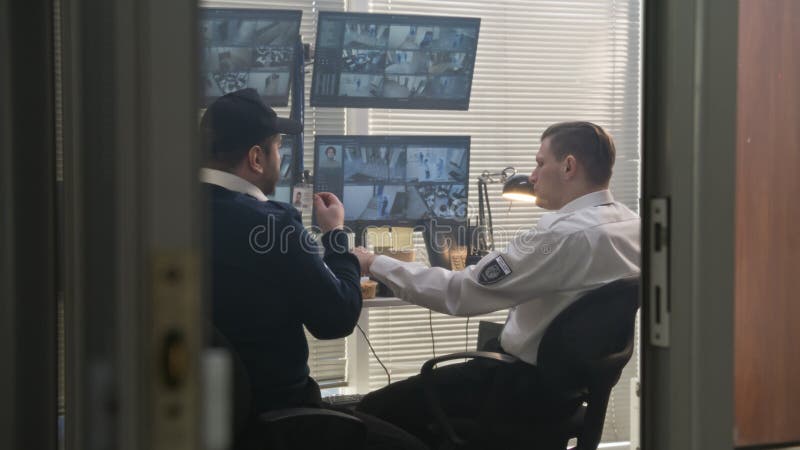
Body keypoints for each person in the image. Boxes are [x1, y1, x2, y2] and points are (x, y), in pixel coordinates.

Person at [352, 121, 640, 445]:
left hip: (512, 392)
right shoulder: (634, 227)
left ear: (569, 166)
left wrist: (373, 263)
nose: (532, 176)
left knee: (369, 413)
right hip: (564, 398)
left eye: (540, 163)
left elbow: (459, 293)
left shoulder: (559, 236)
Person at [200, 88, 427, 450]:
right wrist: (337, 236)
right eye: (278, 149)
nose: (280, 159)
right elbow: (336, 317)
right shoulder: (271, 224)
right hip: (280, 422)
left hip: (206, 422)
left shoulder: (167, 213)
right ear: (257, 158)